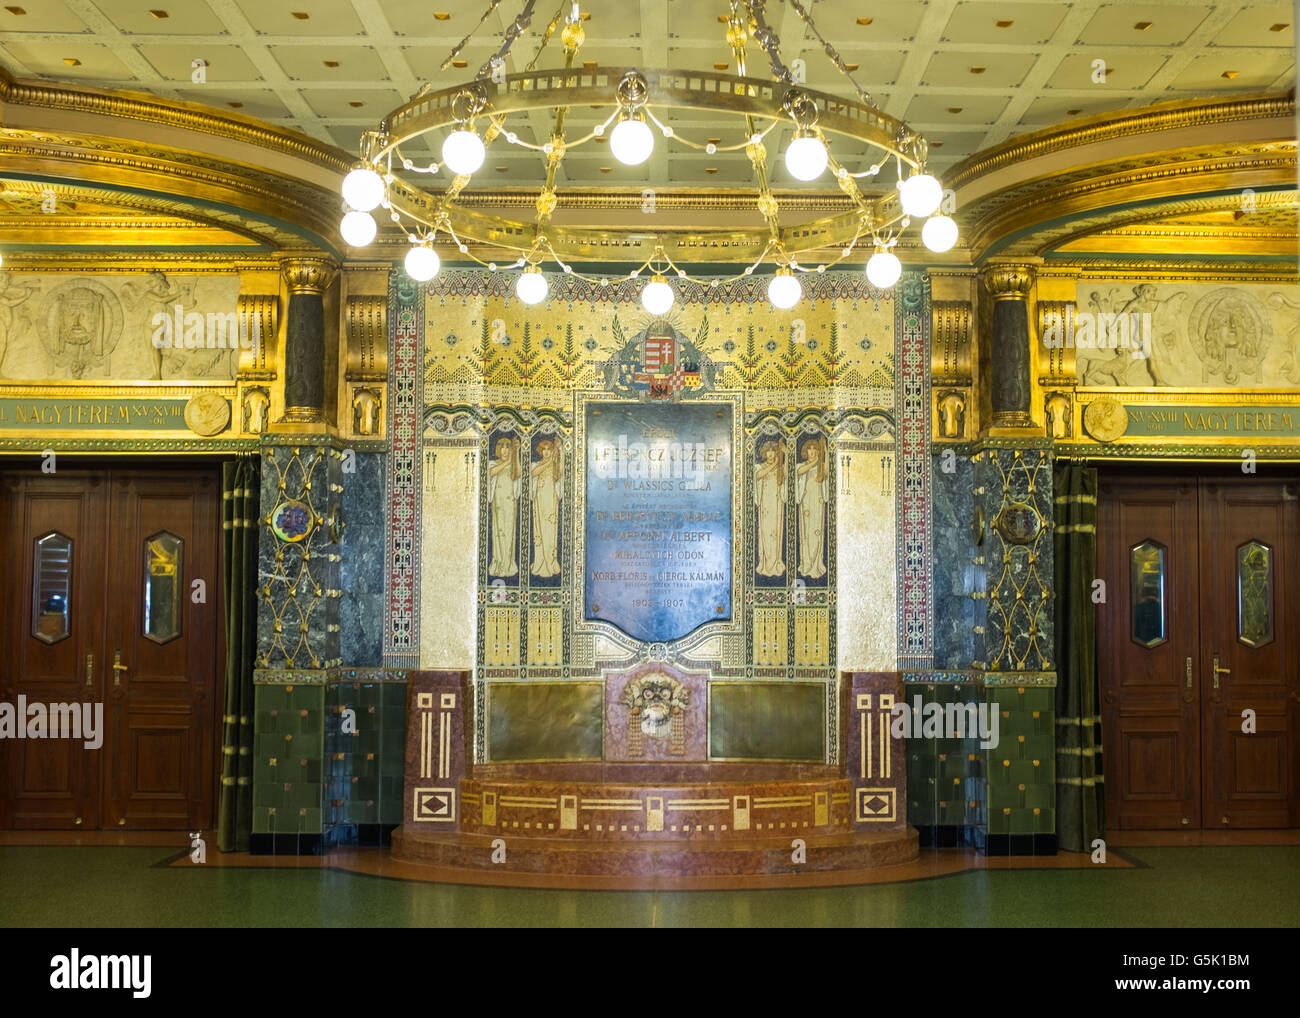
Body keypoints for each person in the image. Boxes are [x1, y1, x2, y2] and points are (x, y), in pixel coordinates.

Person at [487, 436, 522, 576]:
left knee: (509, 531)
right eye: (503, 447)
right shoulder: (492, 463)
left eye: (508, 448)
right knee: (498, 531)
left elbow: (518, 474)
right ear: (498, 449)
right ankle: (499, 562)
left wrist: (516, 454)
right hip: (498, 502)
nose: (505, 451)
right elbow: (491, 473)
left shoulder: (513, 464)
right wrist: (507, 461)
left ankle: (508, 564)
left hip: (510, 501)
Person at [795, 437, 828, 579]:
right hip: (806, 501)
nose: (812, 451)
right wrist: (818, 460)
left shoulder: (821, 467)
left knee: (817, 532)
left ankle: (816, 564)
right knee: (806, 533)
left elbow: (827, 471)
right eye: (810, 449)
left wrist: (826, 454)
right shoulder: (800, 465)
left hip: (818, 501)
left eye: (815, 449)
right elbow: (800, 472)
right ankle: (806, 564)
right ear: (805, 451)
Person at [530, 438, 562, 578]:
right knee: (540, 530)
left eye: (549, 449)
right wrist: (551, 459)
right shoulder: (536, 464)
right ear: (541, 451)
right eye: (544, 449)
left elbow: (560, 473)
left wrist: (559, 452)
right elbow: (534, 473)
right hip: (540, 499)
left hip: (551, 498)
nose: (547, 452)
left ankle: (550, 562)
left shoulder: (555, 465)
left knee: (550, 530)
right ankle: (540, 561)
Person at [754, 438, 786, 577]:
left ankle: (776, 563)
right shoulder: (759, 467)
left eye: (774, 451)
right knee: (766, 534)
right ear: (764, 453)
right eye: (769, 452)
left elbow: (787, 472)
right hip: (765, 505)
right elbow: (758, 476)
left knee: (776, 533)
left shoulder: (780, 468)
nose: (771, 454)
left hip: (777, 503)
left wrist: (786, 454)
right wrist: (776, 464)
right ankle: (765, 564)